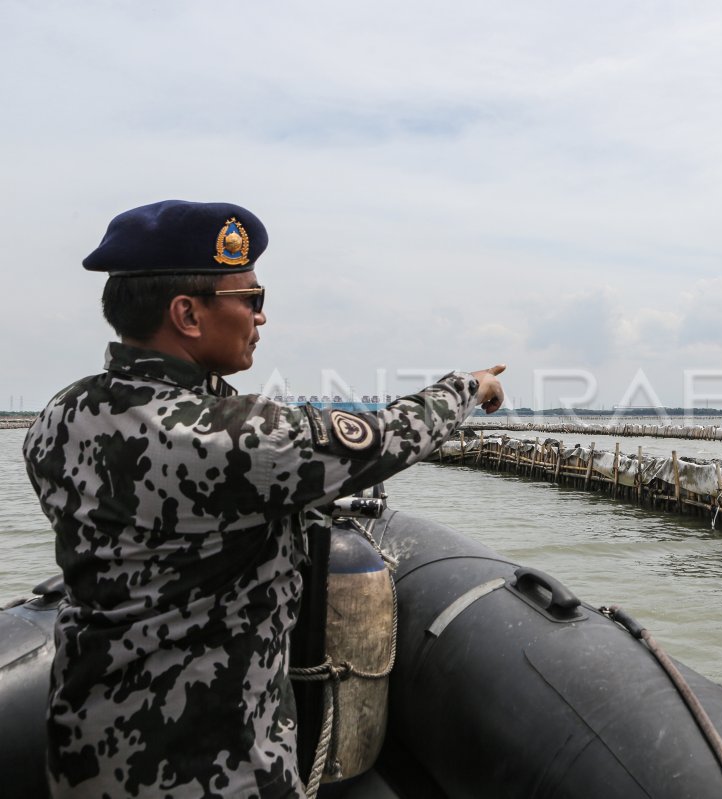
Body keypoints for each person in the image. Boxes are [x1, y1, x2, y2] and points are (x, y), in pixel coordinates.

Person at [23, 200, 505, 798]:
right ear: (188, 314)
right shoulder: (226, 434)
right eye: (251, 298)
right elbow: (385, 437)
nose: (262, 316)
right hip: (210, 768)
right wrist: (468, 387)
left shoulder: (60, 416)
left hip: (86, 754)